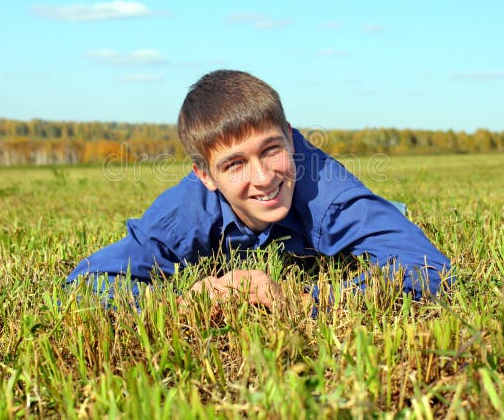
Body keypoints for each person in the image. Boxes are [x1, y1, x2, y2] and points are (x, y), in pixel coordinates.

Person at [66, 70, 451, 309]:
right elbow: (89, 281)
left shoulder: (328, 194)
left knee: (386, 218)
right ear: (205, 175)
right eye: (234, 164)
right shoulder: (185, 213)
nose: (264, 177)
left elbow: (427, 268)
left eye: (271, 150)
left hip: (335, 213)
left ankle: (387, 211)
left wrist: (303, 300)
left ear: (290, 138)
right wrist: (181, 303)